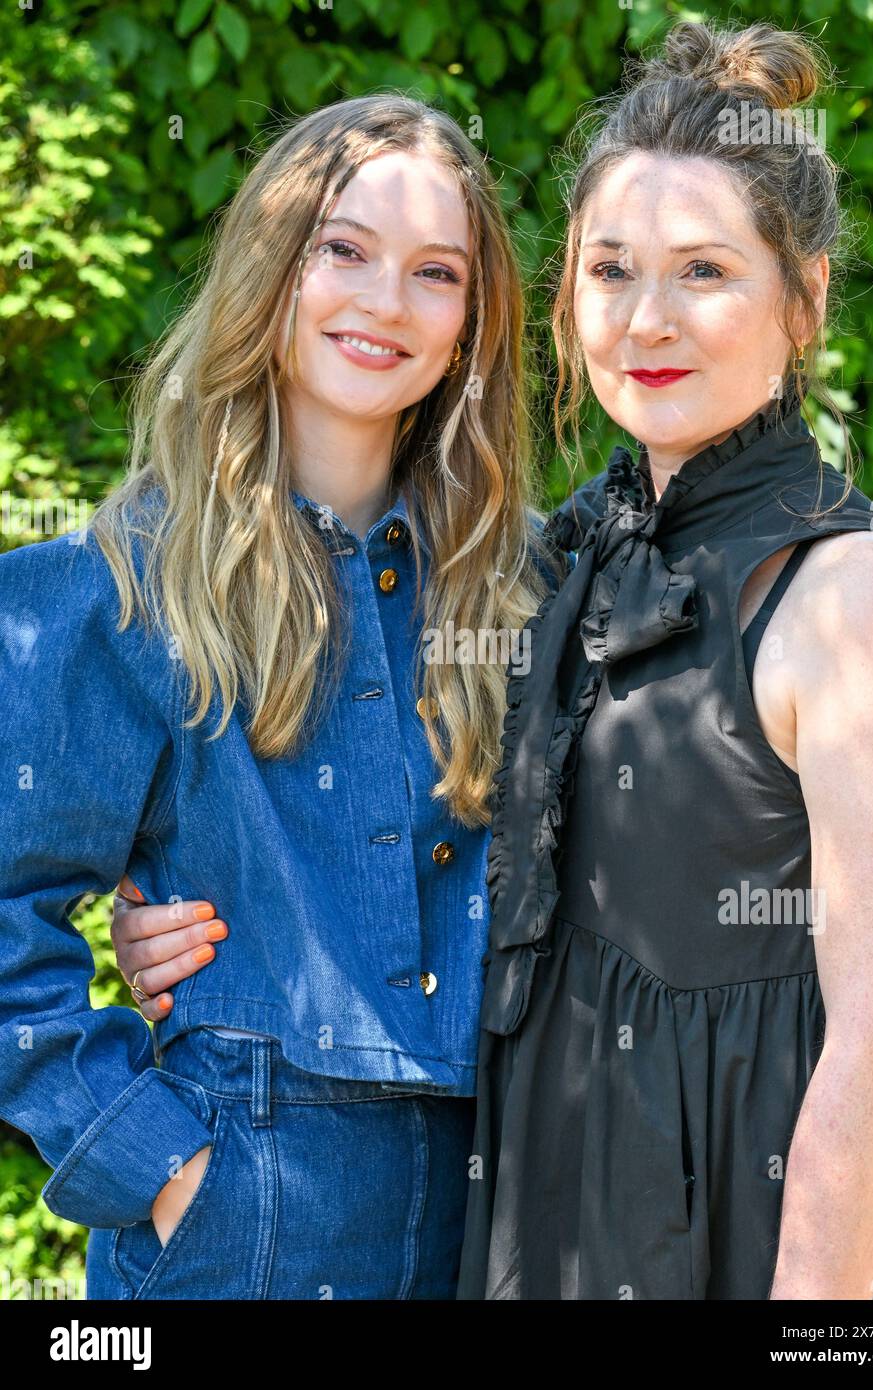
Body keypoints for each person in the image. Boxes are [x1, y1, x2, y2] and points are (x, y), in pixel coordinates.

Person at [0, 93, 551, 1300]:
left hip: (498, 1198)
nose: (384, 302)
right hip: (243, 1200)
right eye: (342, 250)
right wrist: (158, 1164)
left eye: (435, 272)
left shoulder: (529, 589)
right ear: (271, 268)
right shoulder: (124, 587)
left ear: (469, 324)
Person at [454, 20, 873, 1299]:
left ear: (808, 295)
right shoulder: (569, 556)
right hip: (558, 1202)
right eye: (610, 269)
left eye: (705, 272)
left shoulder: (852, 595)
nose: (645, 320)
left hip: (765, 1239)